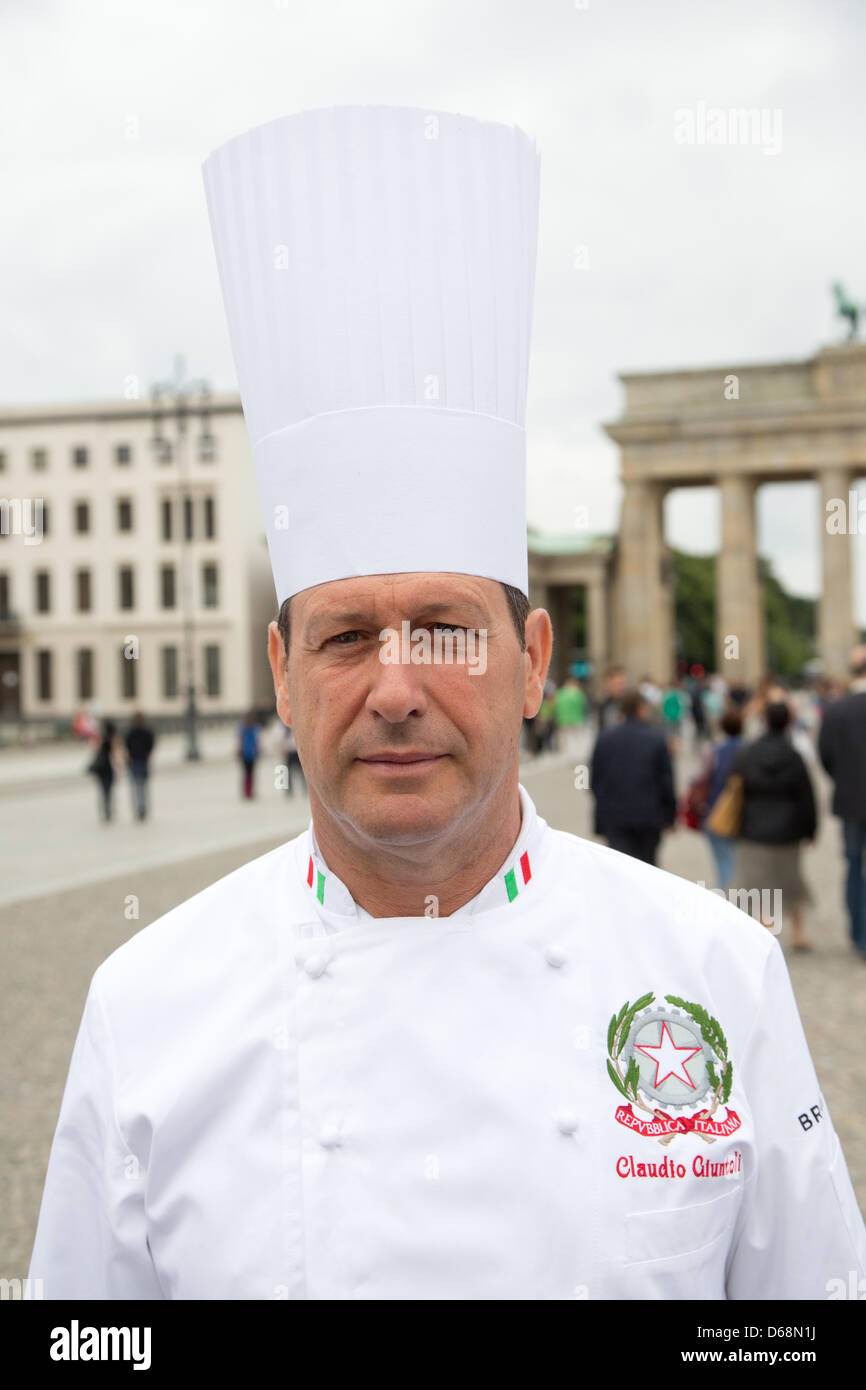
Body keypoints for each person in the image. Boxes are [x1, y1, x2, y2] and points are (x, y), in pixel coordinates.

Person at [30, 104, 864, 1302]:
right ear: (280, 673)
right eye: (347, 636)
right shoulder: (147, 1003)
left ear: (532, 659)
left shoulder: (714, 972)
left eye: (442, 630)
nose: (396, 686)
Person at [731, 700, 816, 949]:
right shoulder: (793, 755)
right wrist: (810, 830)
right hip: (788, 829)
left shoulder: (748, 753)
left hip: (754, 826)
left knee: (756, 885)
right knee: (791, 881)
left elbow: (735, 787)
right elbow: (805, 796)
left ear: (764, 720)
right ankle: (798, 933)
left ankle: (762, 931)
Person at [818, 644, 866, 959]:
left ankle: (859, 932)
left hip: (850, 801)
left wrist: (845, 781)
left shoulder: (836, 709)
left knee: (853, 865)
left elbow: (825, 755)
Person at [590, 689, 676, 865]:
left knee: (621, 869)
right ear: (641, 709)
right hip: (649, 817)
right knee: (647, 868)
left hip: (615, 816)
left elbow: (595, 779)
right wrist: (670, 815)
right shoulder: (657, 739)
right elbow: (666, 782)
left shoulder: (605, 738)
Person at [700, 708, 744, 891]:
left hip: (715, 812)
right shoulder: (748, 750)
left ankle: (728, 904)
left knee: (723, 865)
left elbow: (701, 779)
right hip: (741, 815)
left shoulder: (714, 751)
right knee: (735, 864)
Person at [124, 712, 156, 821]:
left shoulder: (130, 732)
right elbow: (151, 745)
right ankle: (142, 809)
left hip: (134, 762)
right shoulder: (147, 731)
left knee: (136, 787)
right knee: (142, 787)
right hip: (143, 761)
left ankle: (138, 809)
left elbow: (126, 746)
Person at [87, 719, 117, 823]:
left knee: (102, 791)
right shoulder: (111, 740)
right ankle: (108, 811)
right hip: (108, 769)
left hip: (101, 770)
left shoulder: (100, 739)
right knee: (108, 791)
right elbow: (115, 755)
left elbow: (94, 749)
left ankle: (104, 811)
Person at [553, 674, 587, 756]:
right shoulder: (579, 694)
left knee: (564, 740)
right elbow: (584, 706)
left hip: (563, 719)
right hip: (577, 719)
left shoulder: (560, 693)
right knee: (576, 739)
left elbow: (556, 706)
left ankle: (565, 754)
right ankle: (576, 754)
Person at [237, 711, 260, 799]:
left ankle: (248, 791)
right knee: (249, 774)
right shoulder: (251, 728)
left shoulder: (245, 728)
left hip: (248, 753)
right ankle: (248, 791)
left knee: (248, 774)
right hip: (249, 753)